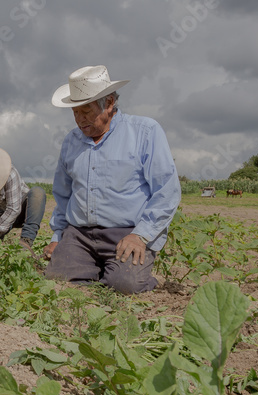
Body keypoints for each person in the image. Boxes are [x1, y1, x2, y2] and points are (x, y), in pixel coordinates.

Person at [43, 65, 180, 294]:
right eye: (75, 112)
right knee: (58, 280)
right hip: (80, 234)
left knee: (124, 285)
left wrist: (140, 235)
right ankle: (89, 265)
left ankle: (127, 274)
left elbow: (166, 190)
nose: (79, 119)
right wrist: (58, 236)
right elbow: (63, 196)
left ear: (108, 104)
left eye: (86, 111)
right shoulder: (71, 141)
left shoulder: (145, 131)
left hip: (127, 233)